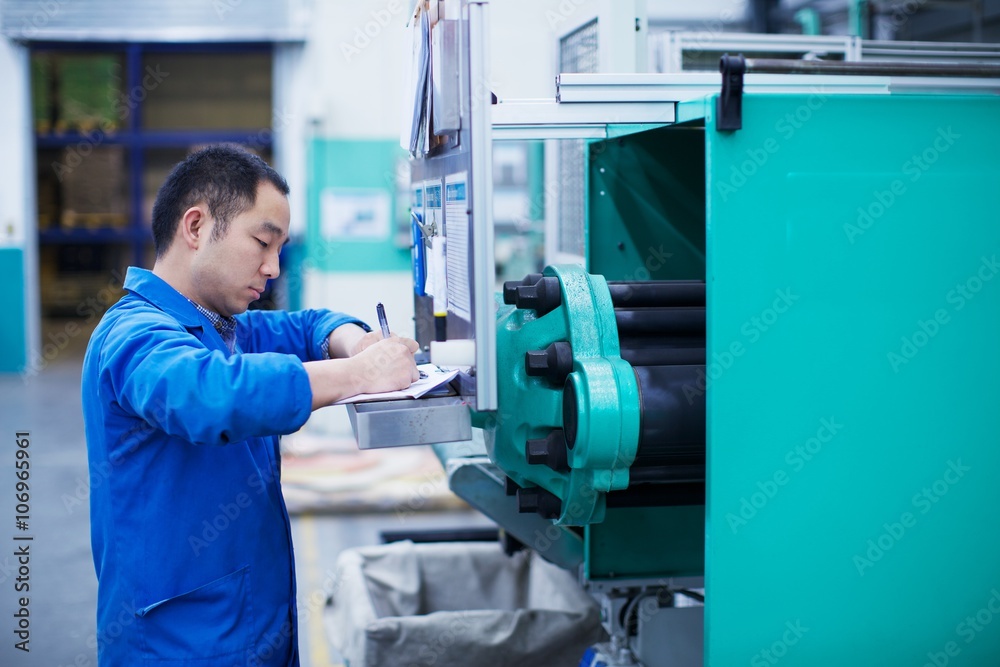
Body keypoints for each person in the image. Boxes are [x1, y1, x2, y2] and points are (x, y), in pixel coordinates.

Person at [81, 145, 418, 666]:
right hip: (179, 645)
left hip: (246, 626)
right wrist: (360, 375)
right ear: (195, 227)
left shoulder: (219, 328)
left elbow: (309, 326)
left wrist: (356, 344)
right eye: (263, 242)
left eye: (280, 248)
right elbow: (210, 395)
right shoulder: (135, 336)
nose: (273, 266)